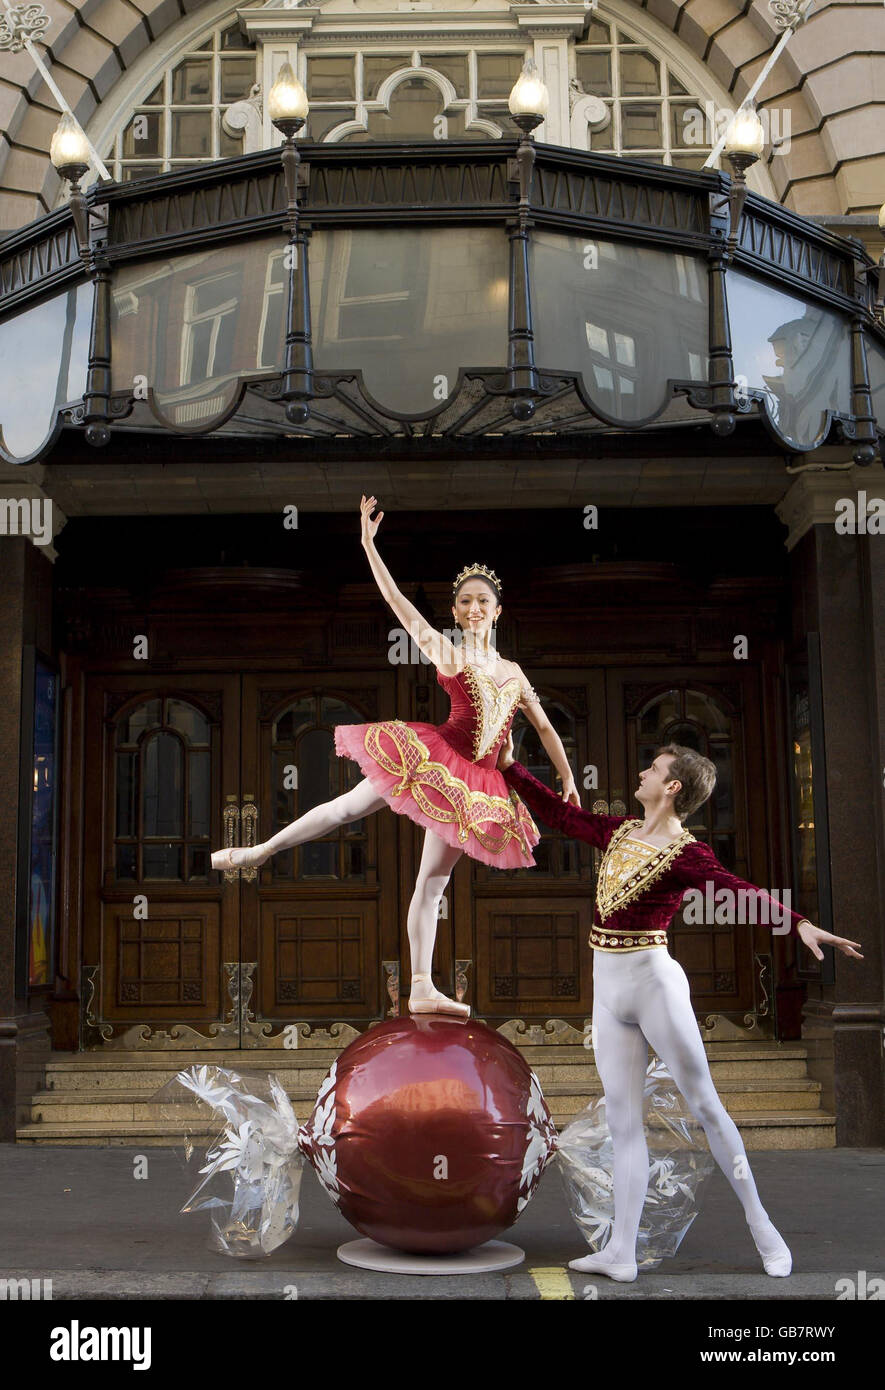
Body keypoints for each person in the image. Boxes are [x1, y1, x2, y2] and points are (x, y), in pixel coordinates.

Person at [497, 733, 863, 1281]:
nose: (641, 773)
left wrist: (800, 923)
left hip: (655, 986)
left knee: (706, 1105)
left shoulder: (687, 854)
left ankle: (762, 1225)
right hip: (609, 992)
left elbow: (737, 888)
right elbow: (561, 815)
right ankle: (621, 1252)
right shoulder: (618, 832)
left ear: (671, 787)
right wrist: (511, 768)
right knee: (624, 1124)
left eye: (652, 768)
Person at [212, 495, 578, 1017]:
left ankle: (422, 986)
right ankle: (259, 852)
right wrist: (368, 544)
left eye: (483, 602)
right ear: (456, 612)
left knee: (431, 883)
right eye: (465, 602)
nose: (474, 609)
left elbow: (542, 726)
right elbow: (398, 606)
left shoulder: (515, 672)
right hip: (432, 758)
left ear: (499, 610)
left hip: (475, 785)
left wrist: (566, 778)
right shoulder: (448, 651)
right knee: (346, 809)